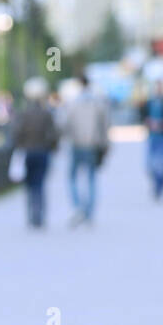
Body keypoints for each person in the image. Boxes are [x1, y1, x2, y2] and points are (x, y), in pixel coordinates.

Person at [57, 73, 109, 227]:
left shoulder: (72, 103)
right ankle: (89, 212)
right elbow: (105, 125)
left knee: (72, 177)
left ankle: (78, 206)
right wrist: (105, 144)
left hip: (76, 144)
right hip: (93, 145)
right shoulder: (98, 103)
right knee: (91, 178)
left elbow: (64, 124)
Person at [11, 77, 60, 227]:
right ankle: (39, 215)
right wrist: (52, 148)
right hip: (42, 152)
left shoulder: (23, 113)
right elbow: (53, 135)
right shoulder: (46, 114)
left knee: (29, 185)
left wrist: (20, 146)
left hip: (27, 152)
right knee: (39, 184)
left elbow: (16, 133)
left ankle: (32, 215)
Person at [139, 79, 163, 199]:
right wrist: (148, 122)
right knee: (151, 164)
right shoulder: (149, 102)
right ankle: (155, 184)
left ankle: (161, 185)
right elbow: (143, 116)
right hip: (152, 136)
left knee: (162, 164)